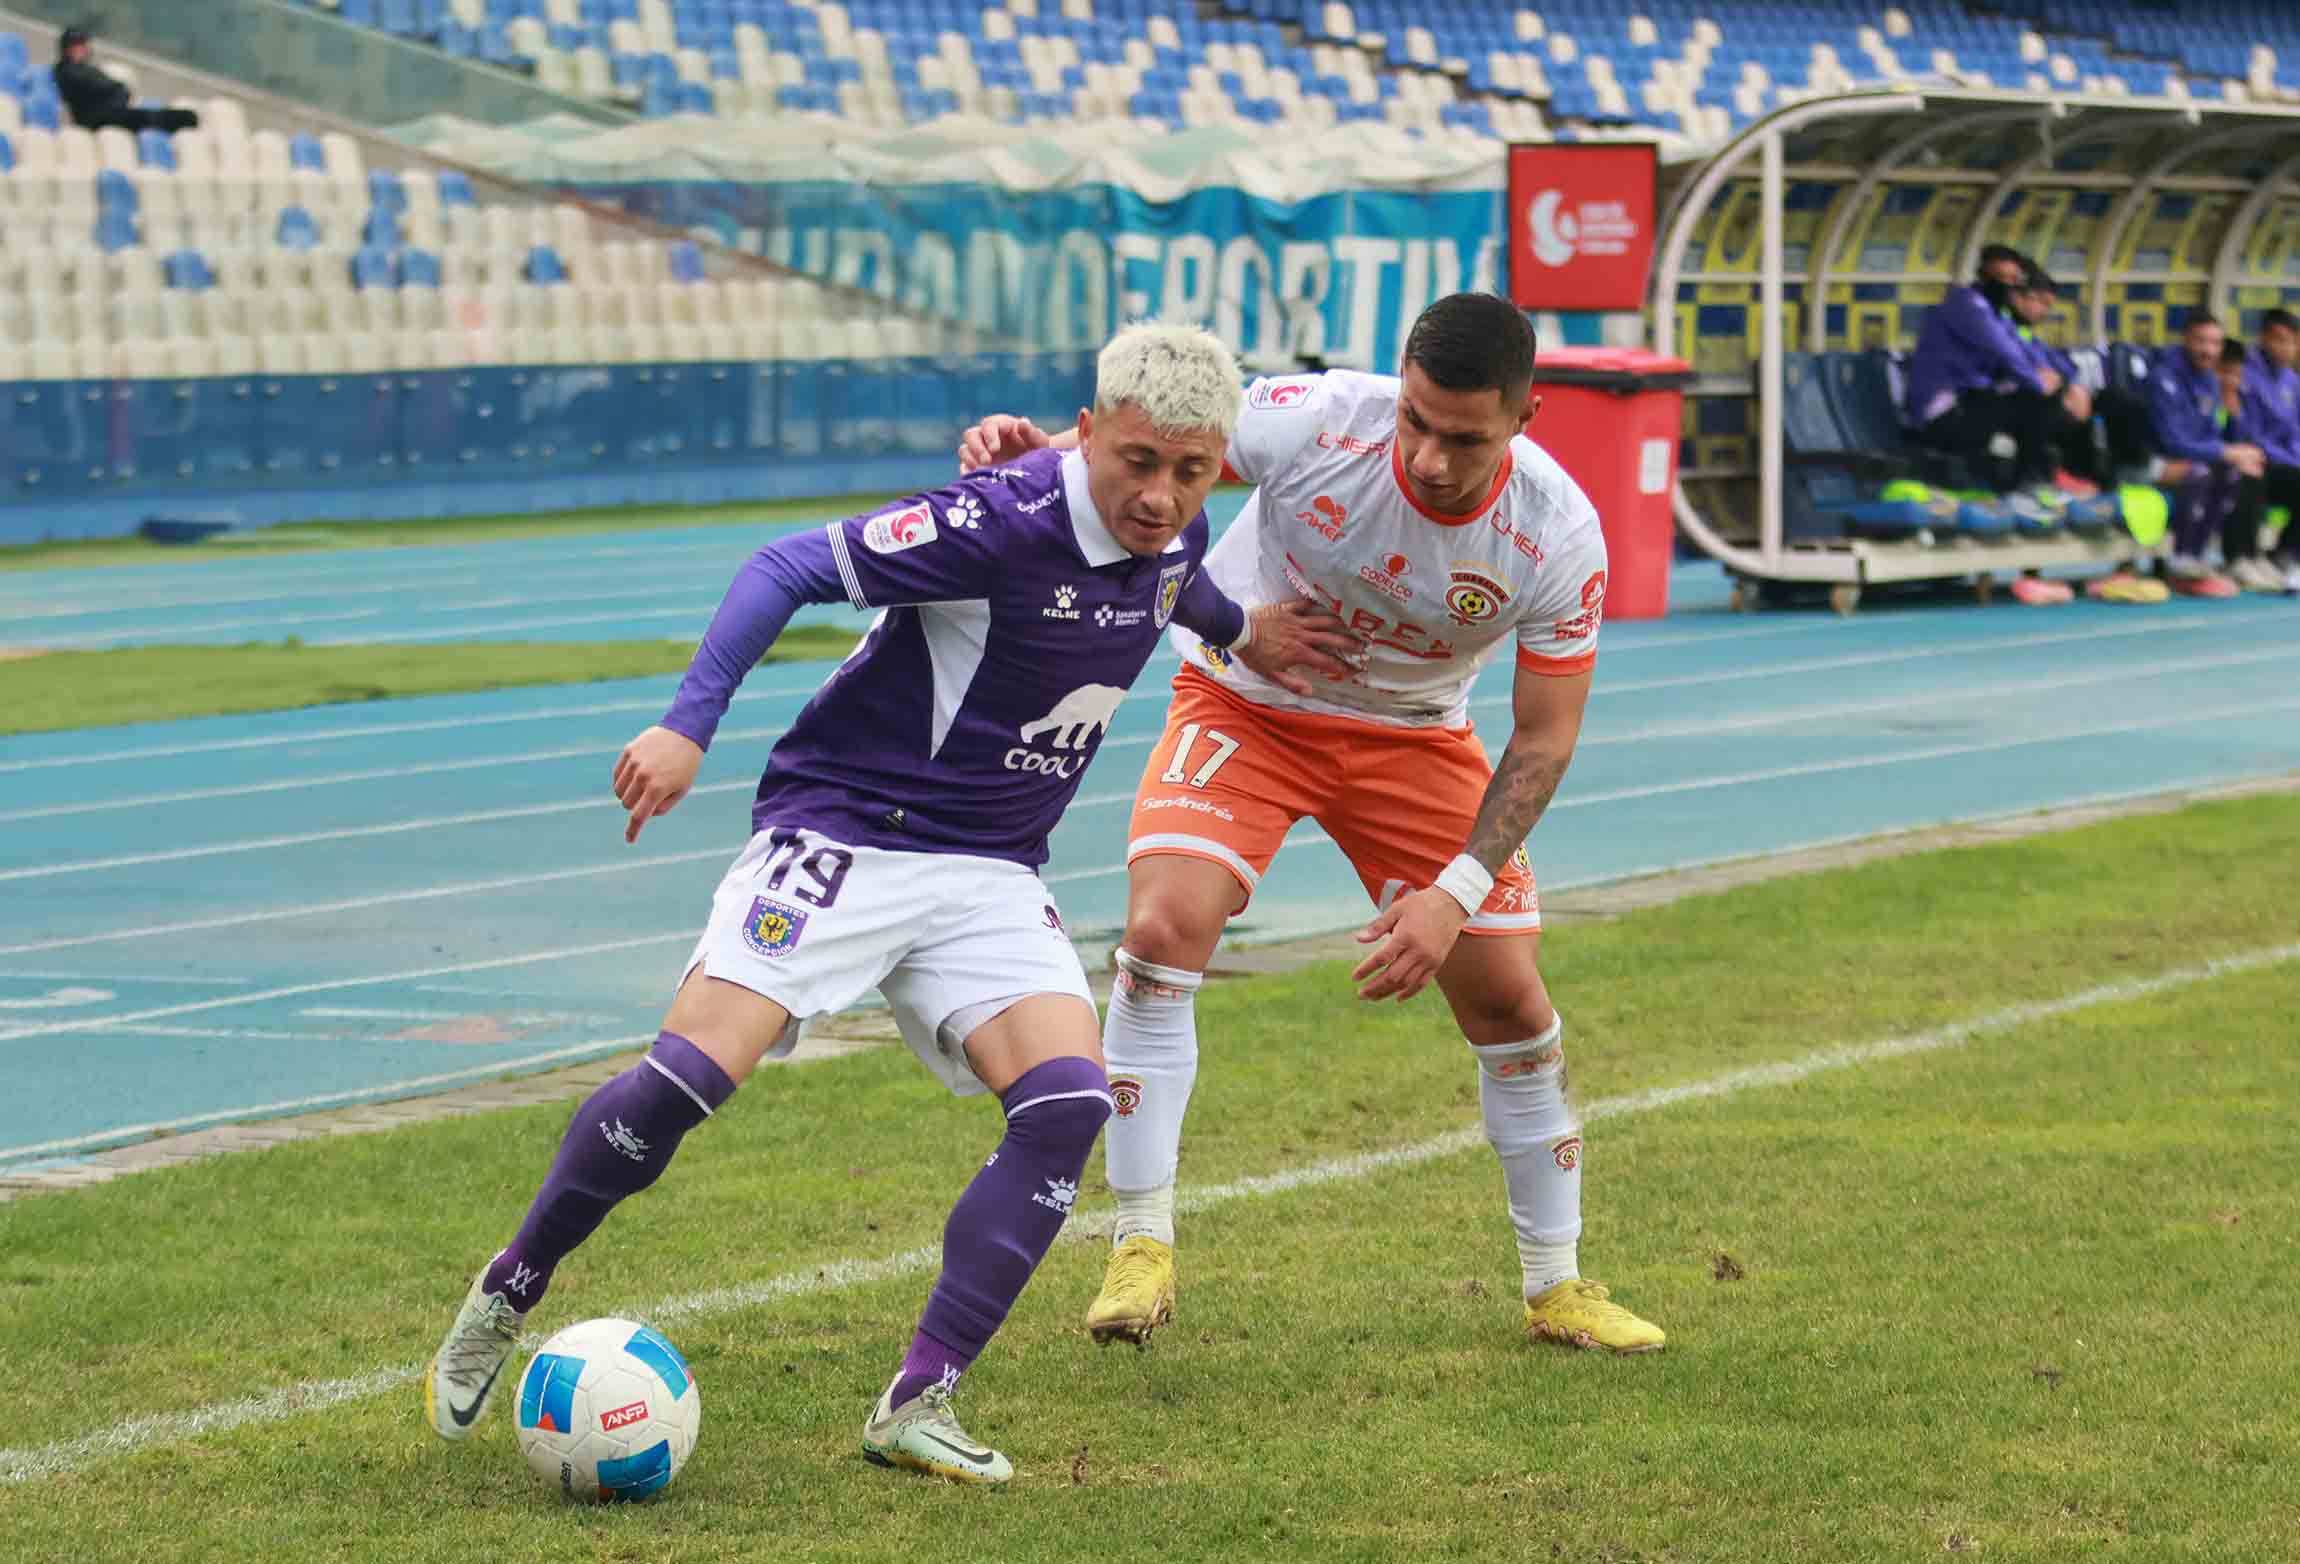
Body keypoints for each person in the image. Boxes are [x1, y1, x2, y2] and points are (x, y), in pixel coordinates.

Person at [421, 323, 1359, 1485]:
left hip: (988, 873)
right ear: (1087, 430)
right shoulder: (995, 520)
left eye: (1190, 470)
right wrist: (685, 726)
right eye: (1136, 462)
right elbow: (782, 565)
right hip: (849, 834)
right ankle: (512, 1284)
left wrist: (1245, 628)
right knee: (686, 1083)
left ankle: (916, 1401)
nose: (1161, 495)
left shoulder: (1175, 531)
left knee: (1067, 1104)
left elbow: (1174, 588)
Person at [957, 293, 1666, 1359]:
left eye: (1462, 437)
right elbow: (1139, 464)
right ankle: (1139, 1242)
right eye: (1415, 421)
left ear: (1524, 417)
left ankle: (1556, 1284)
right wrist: (1028, 459)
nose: (1426, 456)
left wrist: (1450, 894)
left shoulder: (1557, 533)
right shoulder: (1316, 416)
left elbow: (1541, 739)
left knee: (1511, 1001)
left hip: (1417, 740)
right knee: (1159, 928)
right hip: (1243, 704)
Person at [1903, 253, 2067, 511]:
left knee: (2047, 399)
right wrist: (2038, 381)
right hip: (1941, 412)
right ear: (1984, 276)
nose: (2008, 285)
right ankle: (2025, 486)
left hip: (1971, 404)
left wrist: (2050, 376)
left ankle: (2031, 483)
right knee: (2034, 400)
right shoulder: (1966, 304)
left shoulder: (1996, 313)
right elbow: (2003, 350)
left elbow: (2021, 349)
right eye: (2001, 278)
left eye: (2014, 279)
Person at [2147, 312, 2261, 595]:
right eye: (2200, 341)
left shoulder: (2210, 381)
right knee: (2201, 472)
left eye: (2215, 343)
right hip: (2152, 460)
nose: (2208, 350)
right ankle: (2180, 559)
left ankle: (2197, 557)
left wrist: (2235, 438)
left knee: (2233, 473)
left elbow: (2212, 437)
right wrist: (2225, 451)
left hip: (2191, 458)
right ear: (2186, 339)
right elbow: (2171, 441)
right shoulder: (2163, 377)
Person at [2221, 309, 2300, 594]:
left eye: (2292, 341)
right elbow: (2250, 435)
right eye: (2278, 339)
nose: (2286, 348)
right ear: (2263, 337)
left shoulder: (2293, 382)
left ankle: (2285, 554)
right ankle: (2244, 557)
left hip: (2283, 462)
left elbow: (2296, 431)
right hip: (2255, 459)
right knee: (2251, 472)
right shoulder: (2244, 373)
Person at [52, 27, 198, 135]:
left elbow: (113, 88)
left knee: (149, 116)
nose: (83, 49)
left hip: (112, 112)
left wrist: (117, 90)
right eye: (77, 45)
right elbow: (99, 87)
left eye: (83, 44)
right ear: (68, 48)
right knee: (149, 118)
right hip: (95, 119)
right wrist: (116, 90)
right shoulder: (65, 70)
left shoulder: (88, 69)